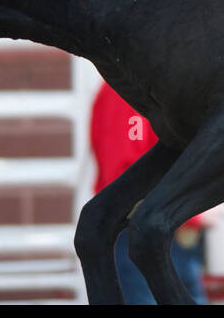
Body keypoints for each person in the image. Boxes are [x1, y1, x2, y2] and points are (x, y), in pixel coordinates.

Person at [89, 82, 208, 304]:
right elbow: (126, 174)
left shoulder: (151, 87)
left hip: (172, 230)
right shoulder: (127, 90)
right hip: (147, 230)